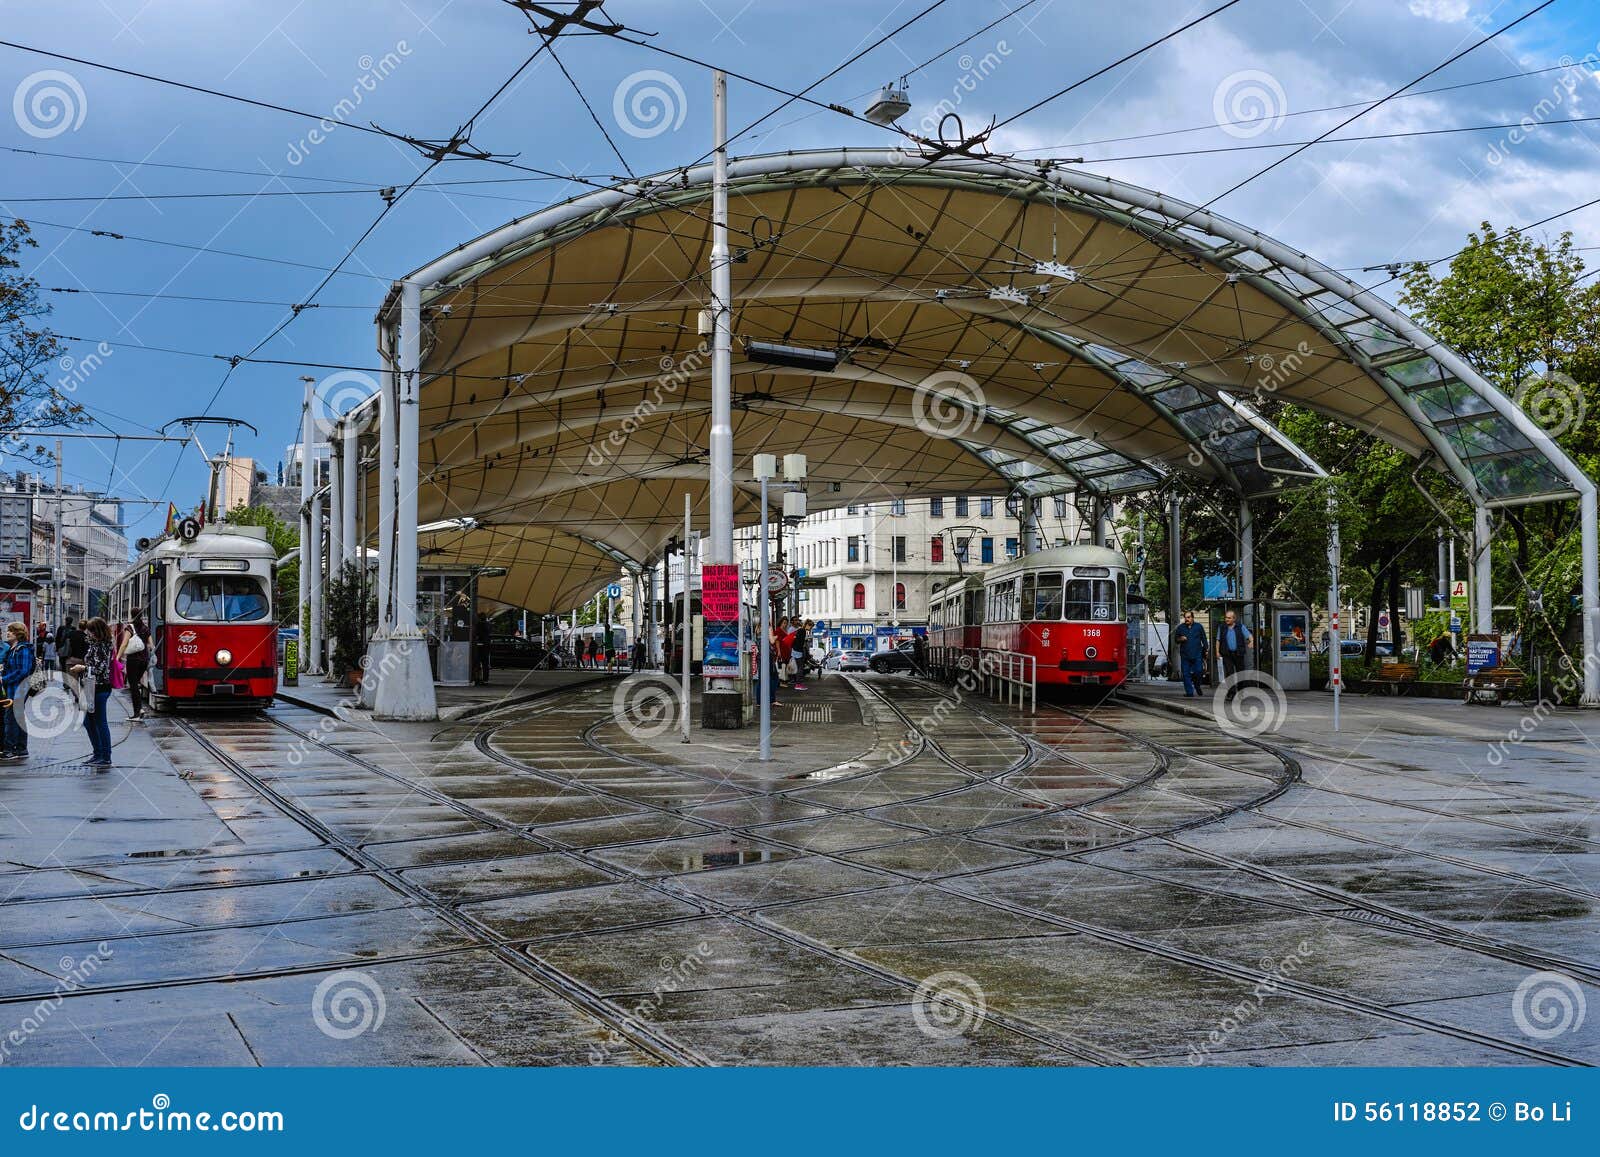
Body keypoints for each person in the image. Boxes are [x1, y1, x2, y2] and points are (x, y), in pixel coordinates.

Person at [68, 617, 114, 768]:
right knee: (89, 722)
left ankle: (105, 756)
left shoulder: (101, 646)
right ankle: (98, 753)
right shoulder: (96, 644)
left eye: (91, 630)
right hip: (91, 686)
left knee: (99, 722)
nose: (88, 633)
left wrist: (82, 668)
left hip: (99, 687)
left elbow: (101, 669)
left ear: (97, 631)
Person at [1, 622, 35, 761]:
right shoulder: (13, 649)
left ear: (18, 633)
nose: (7, 633)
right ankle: (21, 748)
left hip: (19, 688)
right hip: (14, 687)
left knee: (11, 718)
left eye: (11, 631)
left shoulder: (22, 649)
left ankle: (11, 749)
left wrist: (4, 678)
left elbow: (23, 670)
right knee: (17, 718)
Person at [1173, 610, 1208, 697]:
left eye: (1188, 617)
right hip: (1185, 654)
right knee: (1185, 674)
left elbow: (1204, 638)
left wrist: (1206, 649)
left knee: (1199, 671)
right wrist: (1181, 639)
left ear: (1192, 618)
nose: (1186, 619)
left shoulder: (1198, 627)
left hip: (1197, 654)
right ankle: (1189, 692)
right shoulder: (1180, 627)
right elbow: (1176, 640)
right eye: (1185, 617)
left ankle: (1197, 685)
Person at [121, 616, 150, 720]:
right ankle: (140, 709)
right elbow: (151, 644)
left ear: (132, 616)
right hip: (144, 660)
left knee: (133, 686)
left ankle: (137, 713)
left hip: (133, 660)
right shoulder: (146, 628)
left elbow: (124, 644)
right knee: (136, 685)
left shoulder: (130, 628)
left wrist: (117, 657)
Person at [1218, 609, 1253, 680]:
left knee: (1240, 673)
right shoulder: (1222, 627)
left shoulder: (1240, 626)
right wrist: (1217, 652)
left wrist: (1251, 641)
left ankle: (1240, 689)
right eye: (1226, 618)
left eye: (1229, 618)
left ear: (1234, 619)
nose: (1226, 619)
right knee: (1229, 673)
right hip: (1227, 654)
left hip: (1238, 653)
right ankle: (1232, 691)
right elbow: (1218, 640)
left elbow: (1249, 636)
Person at [474, 612, 492, 685]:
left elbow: (476, 634)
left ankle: (478, 678)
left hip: (479, 646)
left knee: (477, 663)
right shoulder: (488, 625)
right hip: (486, 646)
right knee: (485, 664)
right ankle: (485, 679)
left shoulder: (478, 625)